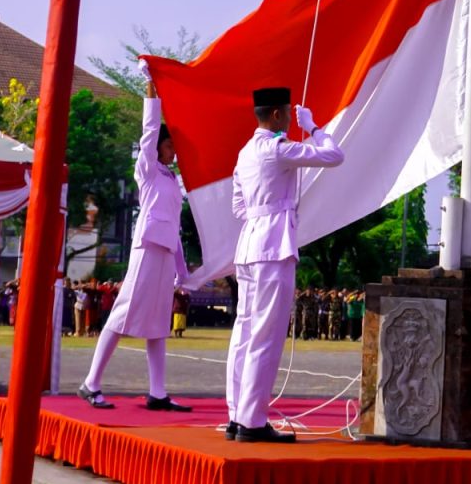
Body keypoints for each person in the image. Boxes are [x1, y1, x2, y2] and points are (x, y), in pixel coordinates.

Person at [223, 88, 344, 443]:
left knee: (244, 334)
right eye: (289, 113)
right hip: (273, 247)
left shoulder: (245, 153)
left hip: (248, 246)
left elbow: (238, 208)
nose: (292, 118)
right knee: (266, 335)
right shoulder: (276, 148)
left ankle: (237, 414)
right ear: (276, 115)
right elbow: (334, 155)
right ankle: (253, 421)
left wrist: (264, 216)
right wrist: (315, 128)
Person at [79, 72, 193, 412]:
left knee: (159, 323)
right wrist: (152, 91)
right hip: (146, 248)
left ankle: (158, 392)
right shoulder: (147, 170)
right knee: (122, 312)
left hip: (165, 250)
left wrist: (182, 270)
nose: (173, 152)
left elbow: (175, 227)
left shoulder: (172, 180)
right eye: (169, 146)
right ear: (157, 148)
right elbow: (147, 134)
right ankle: (91, 383)